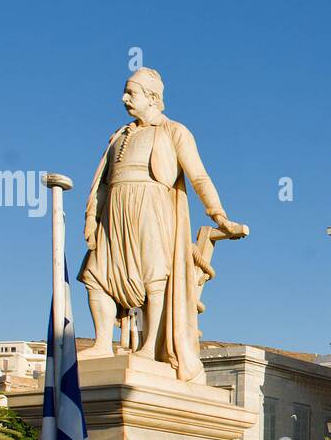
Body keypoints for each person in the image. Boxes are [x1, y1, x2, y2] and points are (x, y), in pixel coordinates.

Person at [79, 67, 248, 383]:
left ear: (152, 97)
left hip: (152, 209)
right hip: (114, 212)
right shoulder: (119, 135)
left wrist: (218, 215)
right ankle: (102, 342)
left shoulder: (174, 131)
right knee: (96, 274)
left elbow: (198, 176)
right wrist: (91, 216)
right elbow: (101, 183)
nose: (124, 98)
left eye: (132, 93)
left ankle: (149, 346)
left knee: (155, 276)